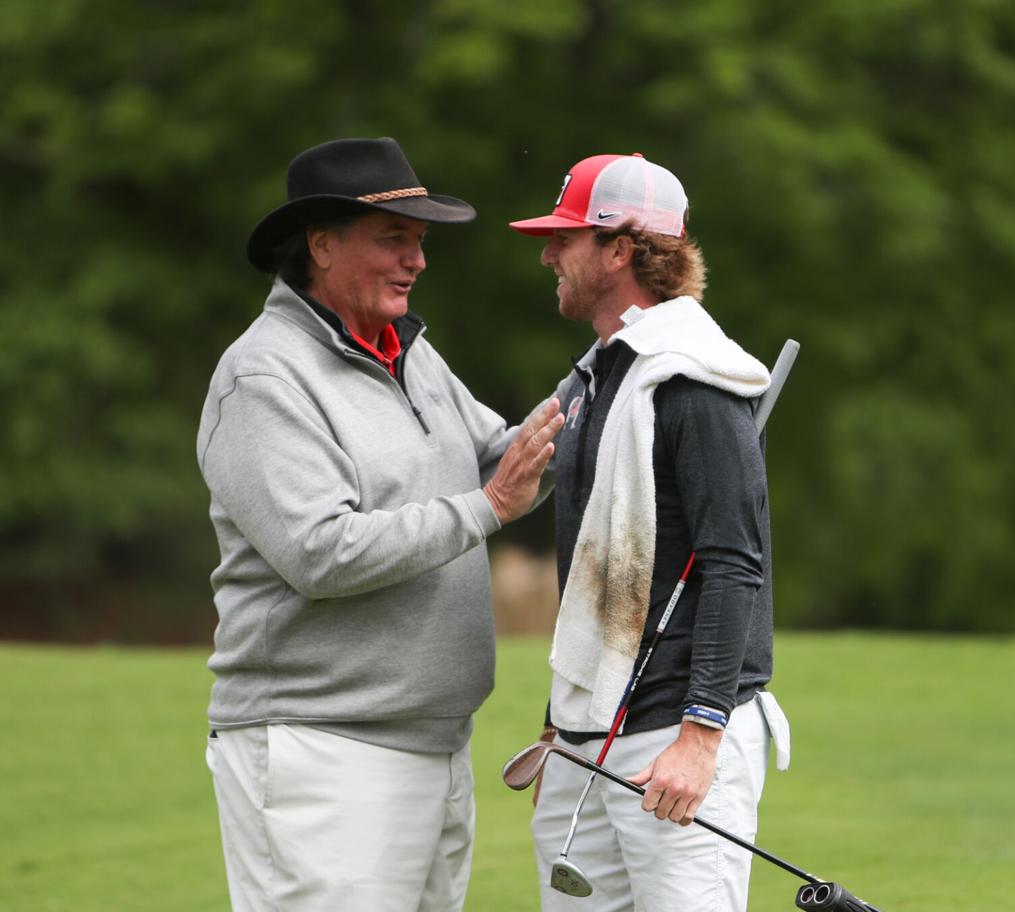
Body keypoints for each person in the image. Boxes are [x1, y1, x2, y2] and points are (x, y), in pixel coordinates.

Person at [197, 137, 562, 912]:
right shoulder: (263, 376)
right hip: (319, 751)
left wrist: (617, 377)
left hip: (434, 744)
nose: (416, 261)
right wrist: (488, 508)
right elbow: (319, 553)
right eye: (394, 238)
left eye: (420, 242)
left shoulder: (406, 351)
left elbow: (504, 456)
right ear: (321, 245)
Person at [508, 152, 791, 912]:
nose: (548, 255)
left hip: (676, 739)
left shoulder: (695, 380)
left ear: (619, 250)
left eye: (564, 239)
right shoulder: (597, 376)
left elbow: (733, 563)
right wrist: (561, 723)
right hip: (586, 736)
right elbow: (588, 567)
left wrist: (701, 737)